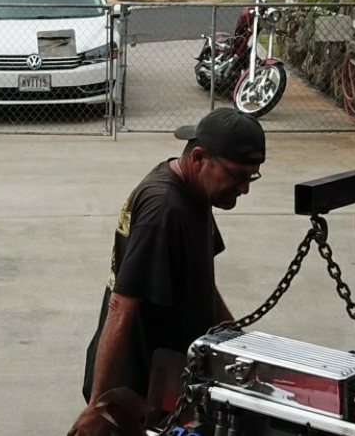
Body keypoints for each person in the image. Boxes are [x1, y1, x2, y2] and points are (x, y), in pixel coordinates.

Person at [68, 108, 266, 436]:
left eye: (251, 177)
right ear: (199, 157)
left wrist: (237, 343)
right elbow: (120, 307)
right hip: (134, 392)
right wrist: (99, 407)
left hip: (169, 380)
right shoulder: (163, 210)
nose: (244, 188)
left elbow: (203, 285)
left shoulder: (197, 190)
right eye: (236, 176)